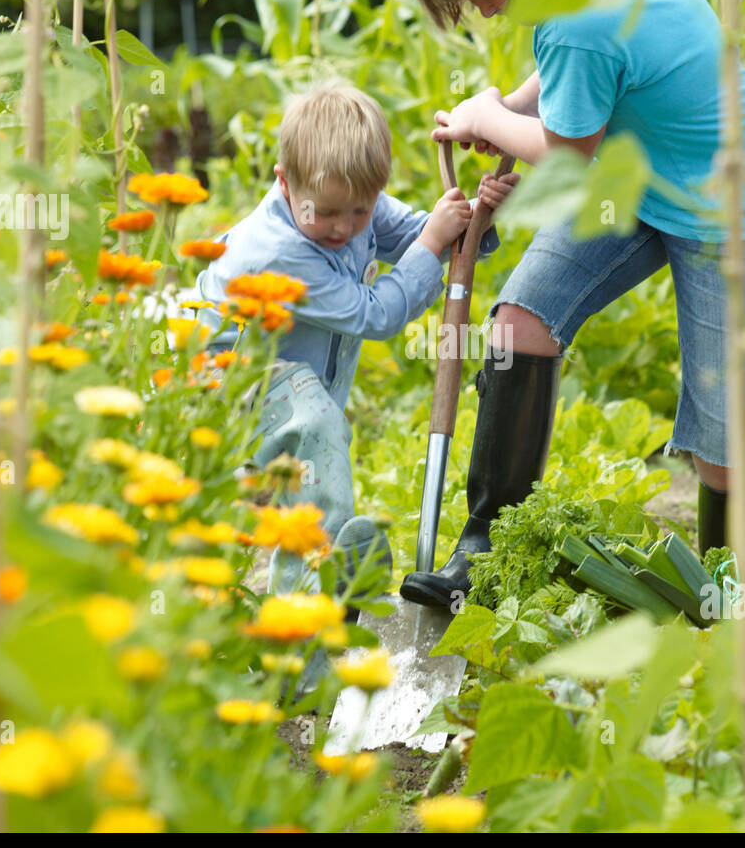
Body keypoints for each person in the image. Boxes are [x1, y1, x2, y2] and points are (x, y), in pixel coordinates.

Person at [398, 0, 745, 608]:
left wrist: (492, 118)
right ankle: (484, 548)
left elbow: (570, 153)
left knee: (722, 435)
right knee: (521, 319)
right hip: (642, 180)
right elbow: (571, 78)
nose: (486, 10)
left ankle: (728, 602)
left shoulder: (576, 19)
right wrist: (510, 105)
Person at [180, 83, 519, 596]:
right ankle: (320, 582)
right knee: (317, 429)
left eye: (360, 212)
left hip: (292, 389)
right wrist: (433, 239)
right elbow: (377, 313)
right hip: (228, 390)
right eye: (328, 212)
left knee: (302, 471)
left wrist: (472, 215)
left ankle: (320, 585)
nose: (344, 227)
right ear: (285, 184)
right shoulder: (277, 253)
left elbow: (419, 234)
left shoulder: (352, 202)